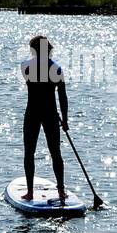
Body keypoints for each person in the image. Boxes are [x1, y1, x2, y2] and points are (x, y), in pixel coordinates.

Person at [21, 35, 69, 202]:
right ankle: (61, 190)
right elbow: (62, 97)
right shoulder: (56, 68)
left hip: (33, 112)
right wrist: (65, 119)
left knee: (29, 152)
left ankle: (30, 192)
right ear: (49, 49)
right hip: (50, 113)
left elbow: (33, 84)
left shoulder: (26, 66)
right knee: (55, 152)